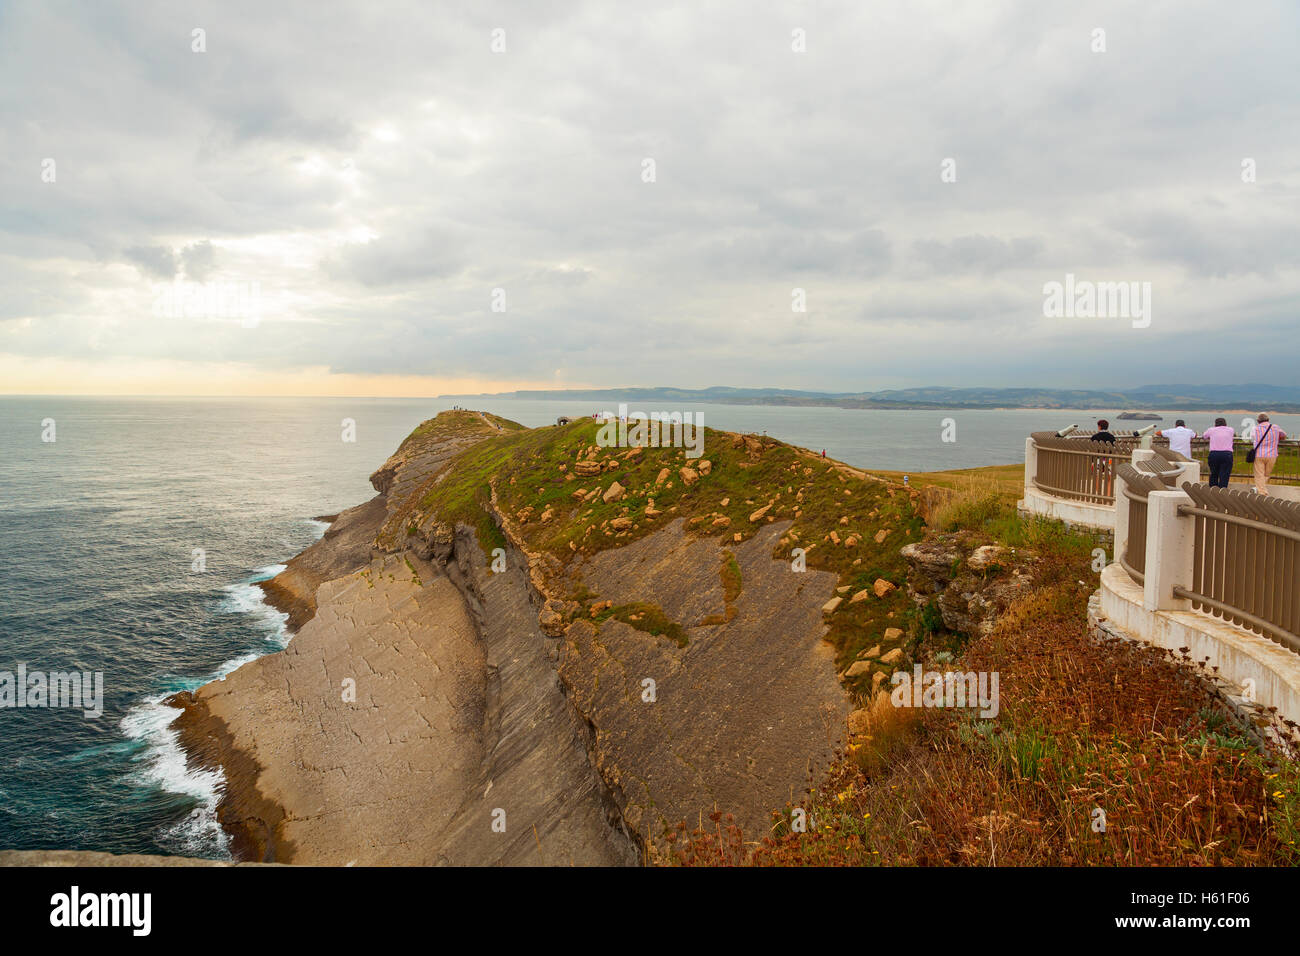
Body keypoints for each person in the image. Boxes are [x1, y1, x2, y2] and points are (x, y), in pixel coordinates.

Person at [1250, 413, 1287, 495]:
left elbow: (1252, 439)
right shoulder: (1275, 427)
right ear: (1268, 420)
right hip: (1272, 455)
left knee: (1259, 474)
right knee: (1267, 474)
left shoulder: (1255, 428)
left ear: (1258, 421)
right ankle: (1261, 490)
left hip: (1259, 455)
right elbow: (1284, 435)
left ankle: (1262, 493)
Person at [1202, 417, 1237, 488]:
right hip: (1227, 454)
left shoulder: (1211, 430)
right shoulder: (1231, 430)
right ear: (1225, 424)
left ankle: (1213, 489)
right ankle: (1222, 490)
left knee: (1214, 473)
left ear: (1215, 424)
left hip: (1214, 454)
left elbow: (1204, 436)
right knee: (1225, 474)